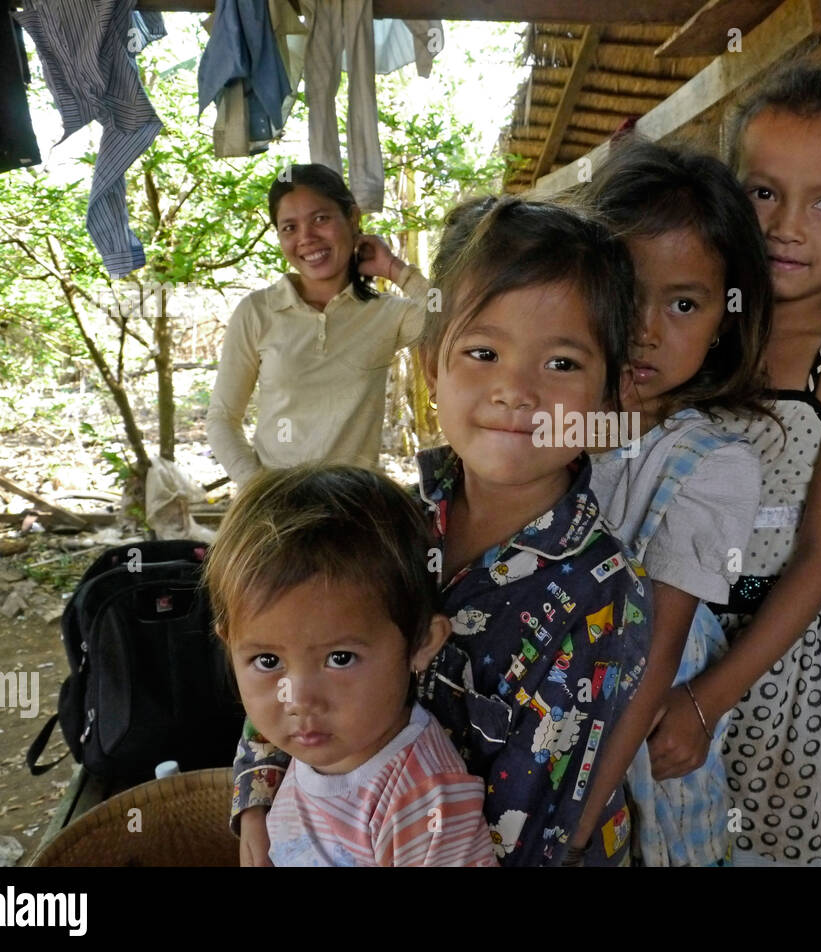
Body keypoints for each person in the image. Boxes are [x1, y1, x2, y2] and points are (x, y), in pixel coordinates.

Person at [231, 198, 653, 867]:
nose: (514, 390)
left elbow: (535, 830)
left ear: (614, 395)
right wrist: (258, 791)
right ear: (433, 366)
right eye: (483, 352)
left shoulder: (598, 597)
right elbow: (282, 644)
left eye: (562, 364)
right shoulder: (386, 527)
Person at [681, 63, 821, 866]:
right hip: (674, 634)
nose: (785, 226)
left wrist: (709, 700)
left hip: (783, 664)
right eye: (762, 192)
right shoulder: (689, 335)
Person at [568, 138, 772, 866]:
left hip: (631, 749)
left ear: (726, 316)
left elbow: (653, 656)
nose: (648, 329)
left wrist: (582, 812)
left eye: (684, 303)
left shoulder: (710, 466)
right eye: (627, 292)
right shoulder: (555, 428)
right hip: (538, 733)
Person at [204, 464, 496, 866]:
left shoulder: (423, 805)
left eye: (339, 659)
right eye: (268, 661)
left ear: (421, 643)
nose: (300, 699)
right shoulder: (317, 743)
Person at [206, 163, 427, 486]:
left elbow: (456, 319)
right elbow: (222, 418)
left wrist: (396, 270)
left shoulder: (387, 315)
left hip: (354, 509)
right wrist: (260, 492)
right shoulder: (257, 312)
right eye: (289, 228)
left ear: (352, 219)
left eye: (320, 219)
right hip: (276, 515)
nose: (306, 238)